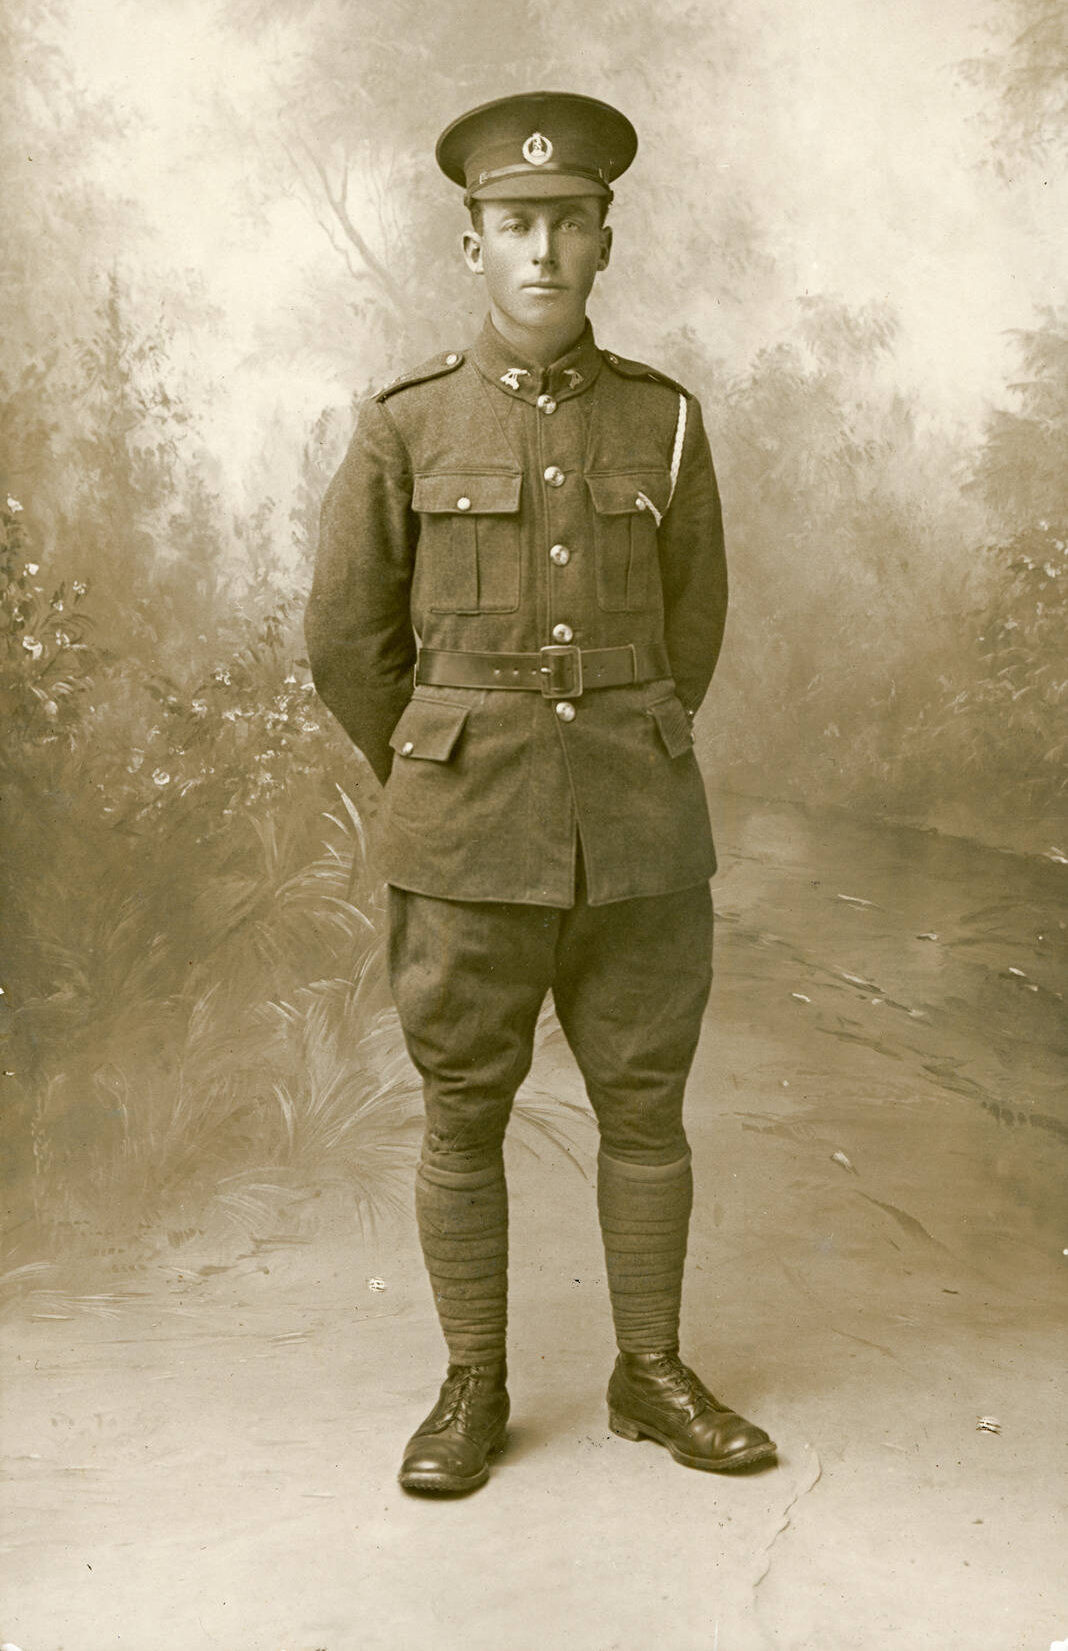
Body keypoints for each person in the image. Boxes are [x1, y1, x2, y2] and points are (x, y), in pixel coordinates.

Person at [305, 91, 776, 1494]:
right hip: (464, 838)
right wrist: (443, 751)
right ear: (473, 245)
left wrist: (624, 744)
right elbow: (345, 641)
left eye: (568, 225)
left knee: (646, 1104)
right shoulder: (404, 426)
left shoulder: (667, 421)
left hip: (637, 831)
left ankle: (651, 1374)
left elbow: (693, 628)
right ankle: (472, 1387)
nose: (542, 254)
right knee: (464, 1110)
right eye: (516, 225)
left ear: (605, 240)